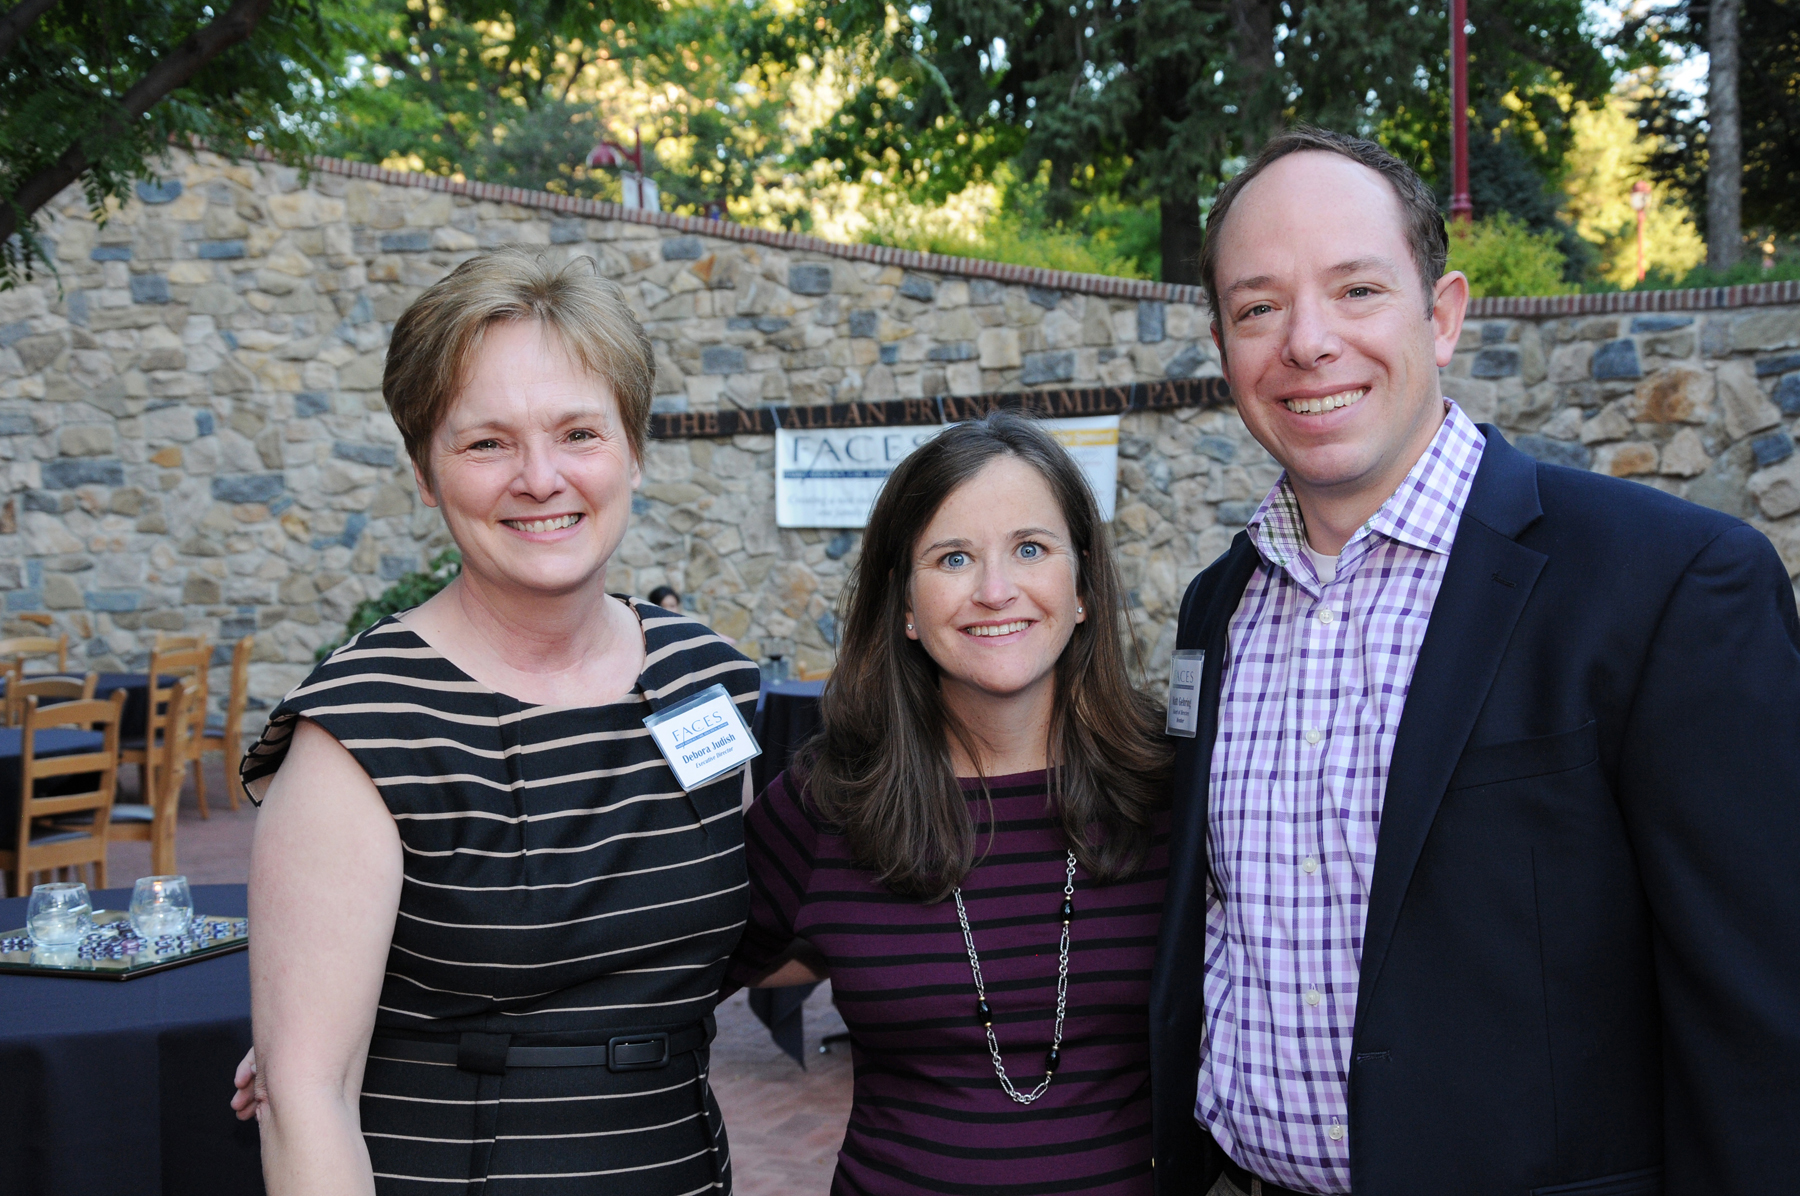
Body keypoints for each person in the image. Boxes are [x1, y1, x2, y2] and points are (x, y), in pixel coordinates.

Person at [1149, 126, 1800, 1196]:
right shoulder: (1216, 610)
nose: (1307, 341)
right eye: (1258, 305)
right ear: (1222, 342)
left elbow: (1762, 1022)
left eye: (1357, 290)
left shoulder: (1667, 585)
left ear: (1442, 314)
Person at [235, 249, 761, 1194]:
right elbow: (305, 1093)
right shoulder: (362, 731)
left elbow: (761, 928)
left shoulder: (706, 680)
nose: (540, 477)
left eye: (578, 433)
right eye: (487, 443)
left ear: (633, 448)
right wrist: (299, 1040)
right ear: (426, 472)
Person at [730, 412, 1174, 1195]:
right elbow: (673, 971)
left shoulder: (1174, 789)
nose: (995, 590)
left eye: (1030, 549)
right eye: (954, 557)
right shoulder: (827, 802)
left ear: (1082, 588)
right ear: (905, 603)